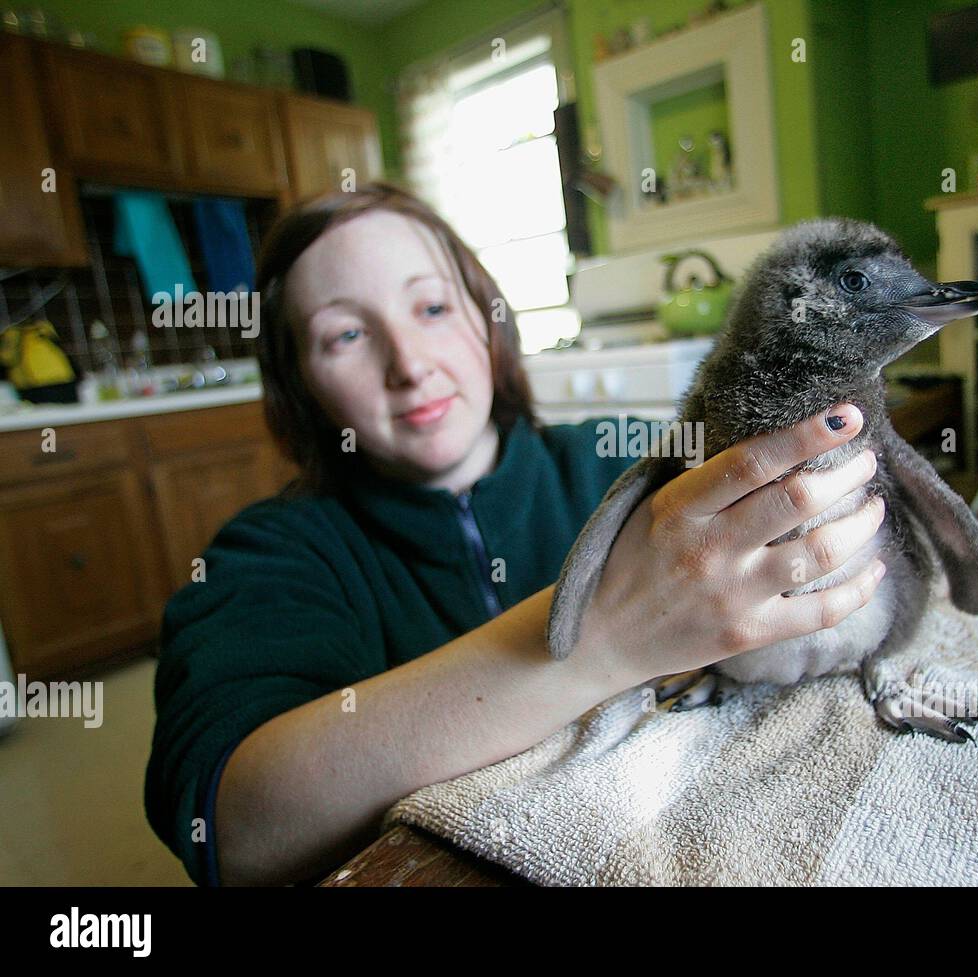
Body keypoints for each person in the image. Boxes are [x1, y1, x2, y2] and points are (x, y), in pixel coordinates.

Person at [144, 184, 888, 886]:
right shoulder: (269, 555)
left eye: (432, 308)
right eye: (344, 334)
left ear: (487, 318)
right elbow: (228, 826)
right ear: (299, 381)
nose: (409, 364)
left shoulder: (628, 455)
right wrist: (602, 640)